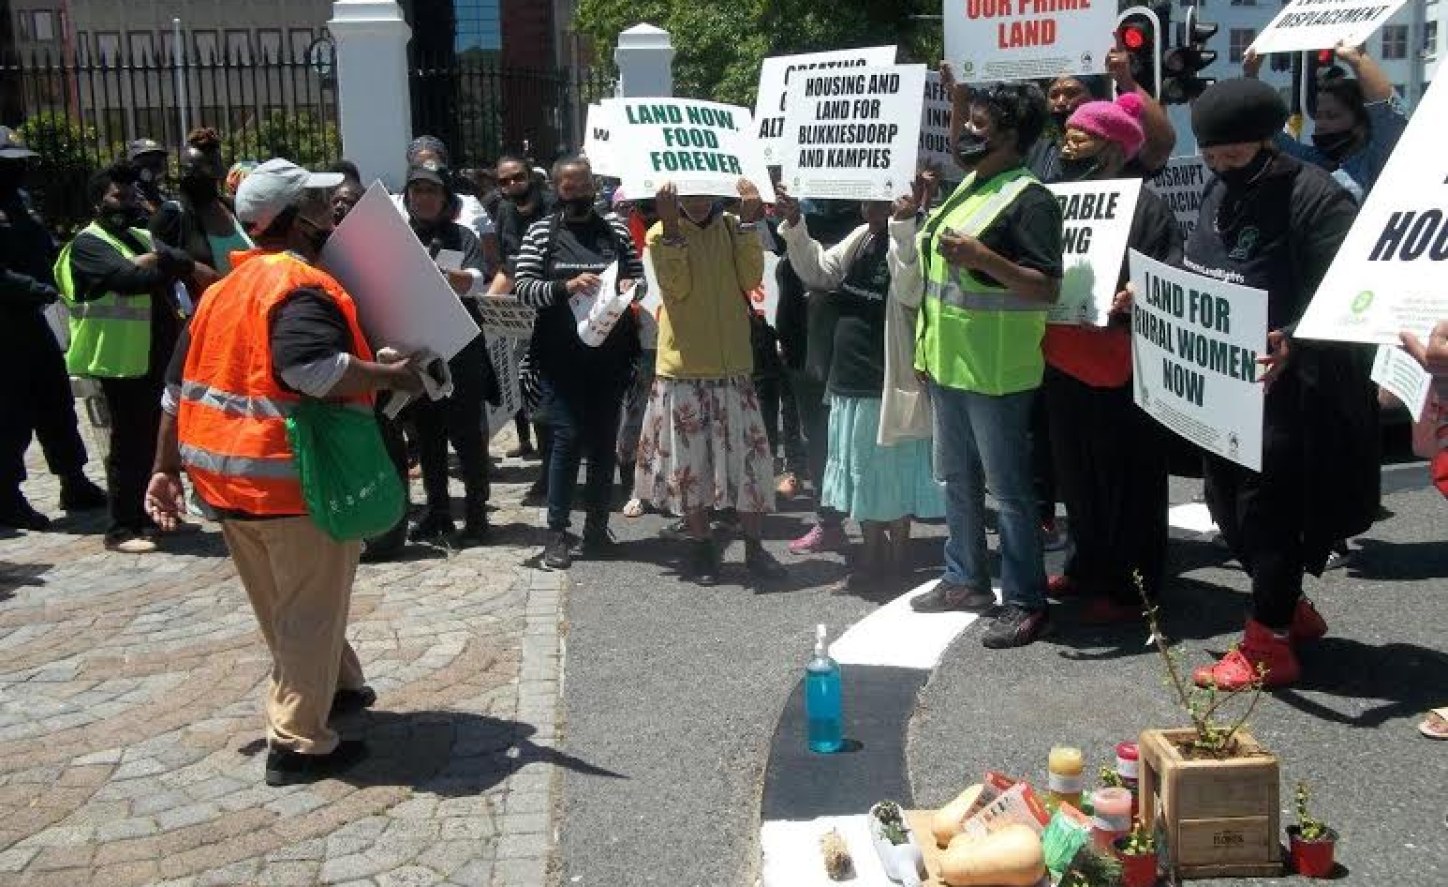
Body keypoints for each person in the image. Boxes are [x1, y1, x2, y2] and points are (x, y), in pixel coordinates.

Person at [144, 158, 425, 786]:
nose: (332, 217)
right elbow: (312, 371)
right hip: (290, 481)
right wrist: (392, 376)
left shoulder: (222, 291)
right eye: (322, 208)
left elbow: (173, 393)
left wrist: (163, 470)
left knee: (287, 603)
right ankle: (298, 743)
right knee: (307, 610)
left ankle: (339, 686)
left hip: (224, 483)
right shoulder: (300, 287)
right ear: (297, 222)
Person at [1183, 79, 1377, 690]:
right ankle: (1287, 607)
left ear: (1267, 143)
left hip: (1292, 395)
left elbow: (1352, 291)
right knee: (1227, 510)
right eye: (1212, 158)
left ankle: (1269, 646)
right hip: (1225, 389)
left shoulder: (1315, 198)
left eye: (1234, 157)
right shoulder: (1218, 187)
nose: (1221, 168)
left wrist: (1296, 336)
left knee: (1268, 518)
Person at [900, 82, 1065, 651]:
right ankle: (965, 580)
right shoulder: (971, 184)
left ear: (1011, 135)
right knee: (957, 479)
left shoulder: (1031, 197)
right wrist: (925, 352)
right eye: (966, 121)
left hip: (997, 372)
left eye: (978, 124)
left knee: (1012, 493)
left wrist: (983, 258)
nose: (966, 133)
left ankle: (1024, 602)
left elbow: (1046, 288)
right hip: (948, 364)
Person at [1041, 93, 1181, 622]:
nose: (1069, 143)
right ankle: (1085, 566)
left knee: (1130, 482)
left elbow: (1170, 275)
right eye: (1069, 134)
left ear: (1116, 148)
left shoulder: (1148, 205)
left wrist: (1136, 295)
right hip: (1063, 356)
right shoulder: (1056, 198)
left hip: (1121, 362)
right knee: (1077, 475)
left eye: (1083, 136)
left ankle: (1131, 587)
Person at [777, 183, 945, 588]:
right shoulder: (863, 235)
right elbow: (818, 270)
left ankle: (899, 551)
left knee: (895, 464)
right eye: (865, 198)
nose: (868, 205)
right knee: (862, 466)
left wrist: (904, 227)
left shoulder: (917, 235)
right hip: (849, 372)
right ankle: (870, 549)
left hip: (888, 374)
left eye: (878, 199)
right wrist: (796, 224)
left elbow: (909, 290)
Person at [637, 179, 787, 585]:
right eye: (689, 194)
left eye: (705, 192)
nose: (699, 201)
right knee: (692, 468)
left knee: (751, 464)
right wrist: (670, 230)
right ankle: (702, 547)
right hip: (683, 369)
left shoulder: (733, 225)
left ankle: (755, 547)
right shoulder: (658, 232)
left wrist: (749, 225)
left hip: (733, 367)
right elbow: (675, 288)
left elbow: (752, 277)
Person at [53, 161, 203, 553]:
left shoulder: (137, 235)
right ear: (98, 200)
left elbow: (181, 260)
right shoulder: (87, 244)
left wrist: (157, 261)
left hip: (154, 354)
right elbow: (128, 280)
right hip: (118, 360)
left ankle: (155, 515)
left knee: (158, 441)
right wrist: (158, 264)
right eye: (118, 194)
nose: (129, 201)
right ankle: (122, 528)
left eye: (132, 193)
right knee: (130, 446)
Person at [513, 156, 643, 569]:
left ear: (594, 186)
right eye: (567, 187)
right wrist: (564, 286)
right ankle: (556, 533)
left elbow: (640, 283)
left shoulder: (616, 231)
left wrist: (629, 286)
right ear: (555, 189)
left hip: (610, 357)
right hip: (560, 359)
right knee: (566, 442)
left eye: (583, 184)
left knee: (605, 443)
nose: (576, 192)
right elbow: (523, 290)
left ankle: (597, 528)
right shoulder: (540, 234)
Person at [0, 126, 107, 529]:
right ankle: (6, 493)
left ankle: (73, 480)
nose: (18, 170)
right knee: (10, 411)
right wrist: (33, 287)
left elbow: (45, 248)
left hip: (31, 317)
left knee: (55, 399)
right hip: (5, 322)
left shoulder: (21, 201)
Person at [401, 158, 498, 545]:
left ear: (445, 198)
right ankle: (437, 511)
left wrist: (445, 277)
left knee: (468, 437)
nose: (424, 198)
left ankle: (477, 515)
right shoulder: (400, 238)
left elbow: (477, 281)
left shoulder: (463, 237)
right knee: (427, 436)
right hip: (418, 351)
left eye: (432, 191)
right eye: (417, 191)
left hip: (460, 351)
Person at [1244, 41, 1407, 199]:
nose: (1321, 124)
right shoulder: (1316, 159)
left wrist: (1358, 60)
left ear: (1360, 125)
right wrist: (1251, 75)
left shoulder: (1376, 162)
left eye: (1332, 116)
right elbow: (1270, 132)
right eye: (1319, 115)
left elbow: (1388, 112)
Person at [492, 153, 557, 470]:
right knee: (519, 376)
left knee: (549, 381)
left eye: (518, 177)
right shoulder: (504, 209)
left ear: (530, 176)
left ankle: (555, 458)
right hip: (519, 305)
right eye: (504, 181)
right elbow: (506, 262)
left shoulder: (553, 206)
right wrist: (490, 301)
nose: (513, 185)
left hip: (554, 304)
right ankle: (527, 440)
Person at [150, 128, 252, 294]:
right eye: (191, 176)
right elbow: (155, 258)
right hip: (203, 311)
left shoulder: (235, 208)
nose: (194, 181)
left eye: (203, 177)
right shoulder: (173, 214)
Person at [127, 138, 170, 223]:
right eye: (148, 162)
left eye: (158, 162)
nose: (155, 168)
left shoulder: (160, 194)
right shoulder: (129, 194)